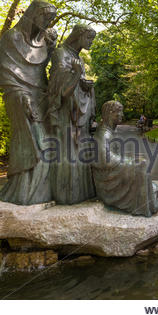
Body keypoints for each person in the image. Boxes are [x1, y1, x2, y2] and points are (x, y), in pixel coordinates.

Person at [0, 1, 57, 205]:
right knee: (35, 144)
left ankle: (45, 190)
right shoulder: (11, 38)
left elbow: (42, 72)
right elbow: (6, 74)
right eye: (45, 18)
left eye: (51, 20)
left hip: (42, 98)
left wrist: (51, 50)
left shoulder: (43, 41)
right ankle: (24, 193)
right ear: (33, 15)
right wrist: (20, 96)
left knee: (51, 147)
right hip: (20, 98)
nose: (47, 23)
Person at [47, 24, 97, 204]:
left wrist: (85, 85)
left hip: (79, 114)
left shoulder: (79, 58)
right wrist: (77, 76)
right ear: (79, 36)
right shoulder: (60, 54)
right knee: (68, 152)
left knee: (81, 151)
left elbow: (77, 83)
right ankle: (67, 196)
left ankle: (83, 193)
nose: (91, 42)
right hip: (65, 114)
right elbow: (61, 91)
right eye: (89, 38)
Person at [92, 101, 158, 217]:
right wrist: (130, 162)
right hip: (107, 180)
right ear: (110, 113)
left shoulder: (111, 131)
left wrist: (130, 161)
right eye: (119, 112)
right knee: (141, 165)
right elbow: (106, 160)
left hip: (113, 173)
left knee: (148, 178)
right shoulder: (103, 134)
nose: (122, 115)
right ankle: (142, 207)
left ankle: (146, 203)